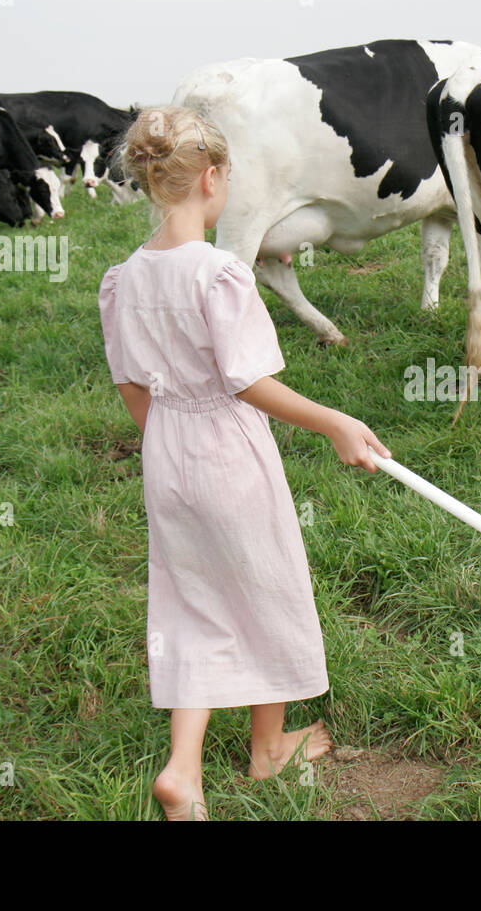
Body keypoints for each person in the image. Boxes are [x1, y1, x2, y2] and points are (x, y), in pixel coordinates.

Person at [97, 106, 391, 820]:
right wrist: (335, 423)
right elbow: (248, 381)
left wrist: (166, 438)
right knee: (268, 587)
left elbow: (130, 384)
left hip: (166, 453)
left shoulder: (123, 279)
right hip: (229, 449)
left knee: (191, 600)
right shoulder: (220, 274)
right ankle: (267, 749)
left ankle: (184, 770)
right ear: (213, 178)